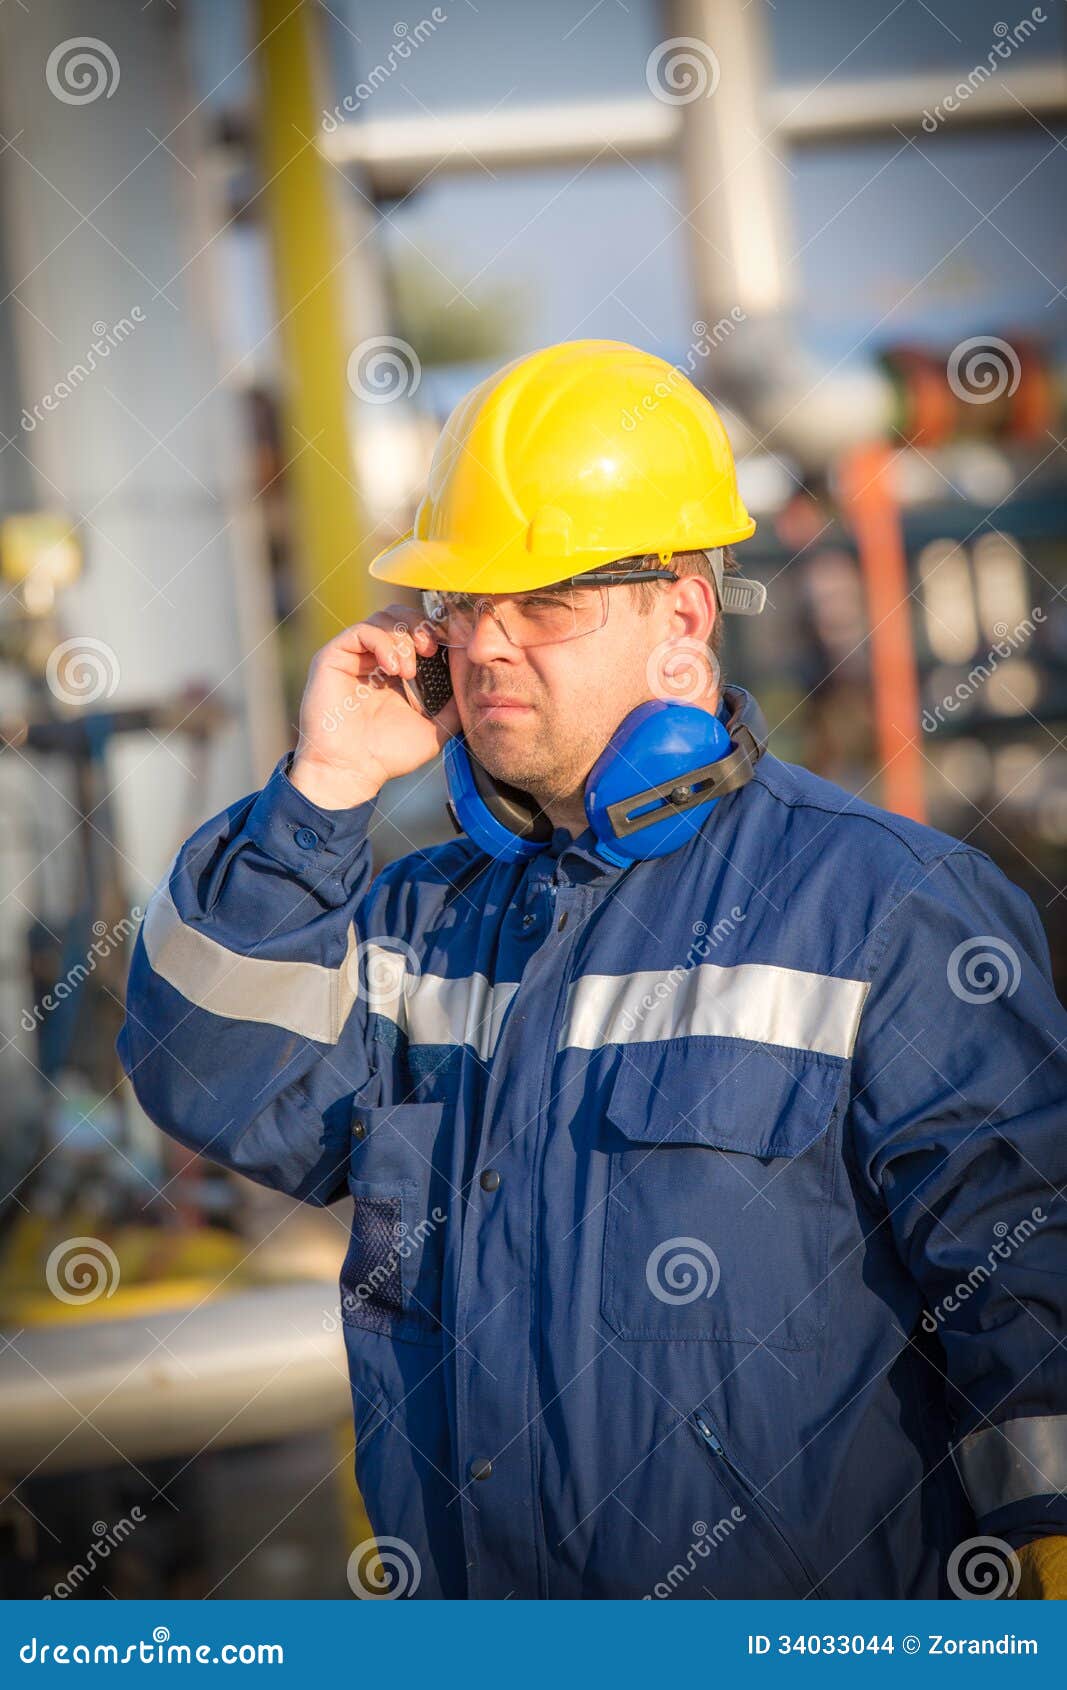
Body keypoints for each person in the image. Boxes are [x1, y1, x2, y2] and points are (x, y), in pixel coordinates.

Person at [118, 339, 1067, 1600]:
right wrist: (322, 793)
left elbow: (1031, 1292)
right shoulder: (418, 918)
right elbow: (202, 1071)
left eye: (544, 602)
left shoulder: (888, 909)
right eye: (463, 604)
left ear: (681, 617)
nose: (485, 645)